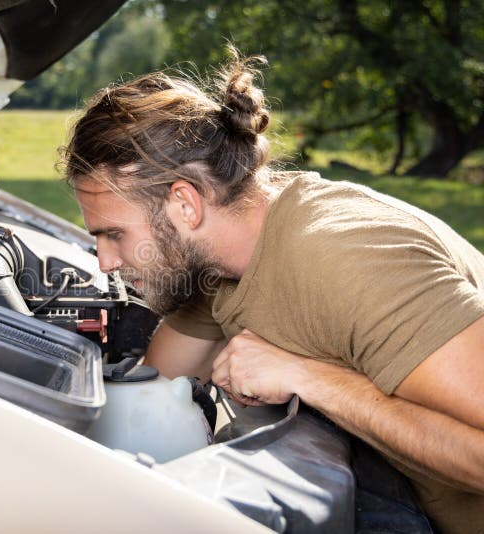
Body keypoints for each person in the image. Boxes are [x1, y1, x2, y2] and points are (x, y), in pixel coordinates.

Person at [62, 49, 484, 533]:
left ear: (184, 204)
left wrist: (313, 379)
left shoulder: (349, 260)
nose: (105, 262)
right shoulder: (217, 266)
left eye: (113, 234)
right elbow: (152, 388)